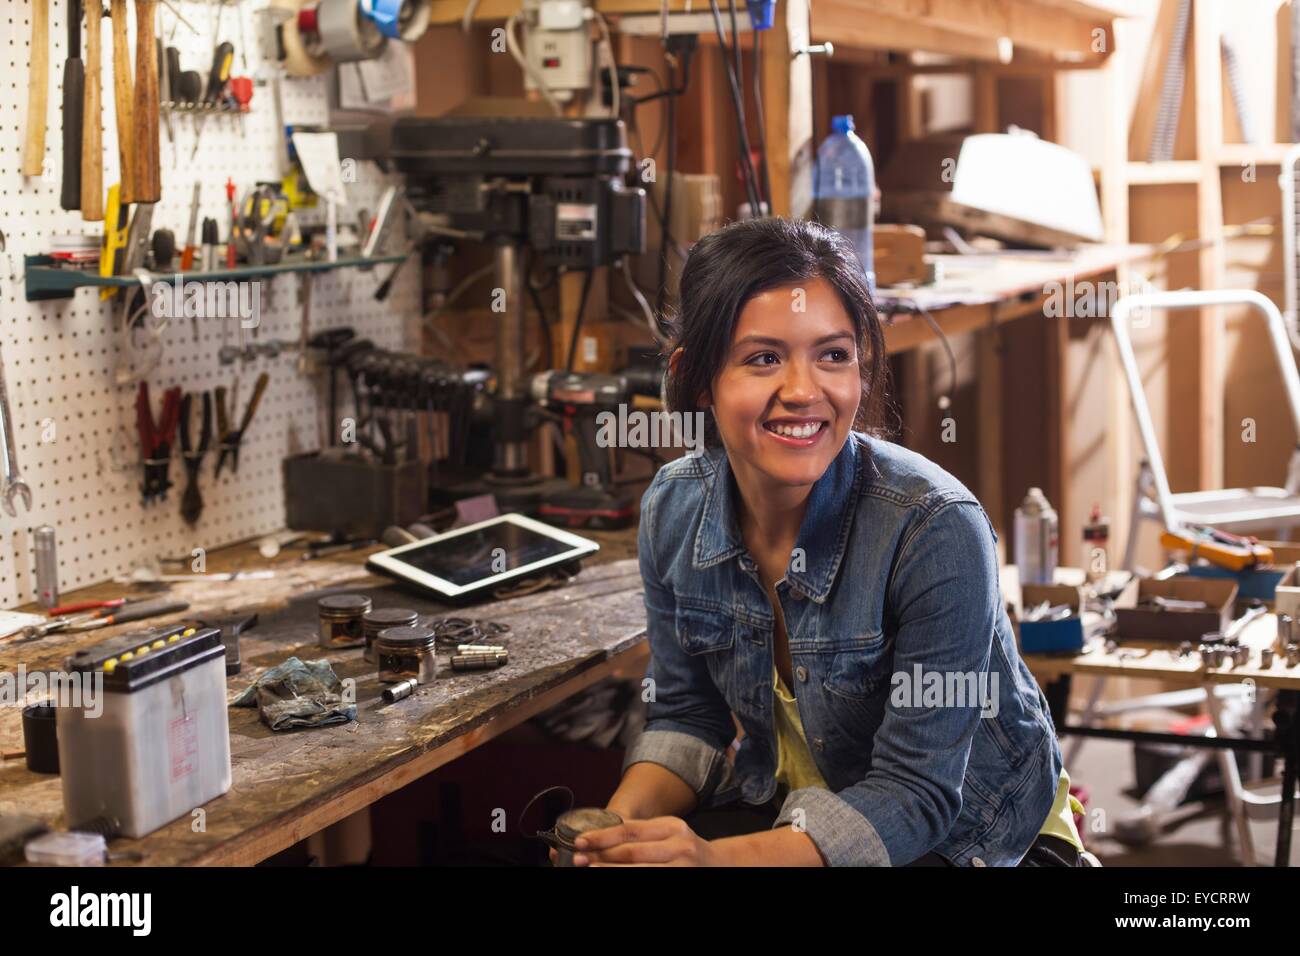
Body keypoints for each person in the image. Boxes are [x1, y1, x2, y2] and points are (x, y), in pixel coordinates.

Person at [570, 216, 1085, 867]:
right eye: (763, 359)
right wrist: (616, 832)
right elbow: (684, 718)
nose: (804, 392)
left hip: (974, 840)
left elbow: (917, 793)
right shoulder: (672, 511)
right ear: (696, 377)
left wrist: (711, 860)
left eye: (833, 355)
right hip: (797, 819)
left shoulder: (935, 527)